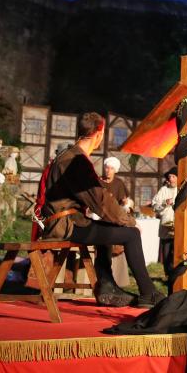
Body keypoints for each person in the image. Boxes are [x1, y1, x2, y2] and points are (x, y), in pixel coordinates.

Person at [37, 112, 165, 308]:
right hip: (66, 225)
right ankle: (148, 292)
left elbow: (96, 199)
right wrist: (129, 221)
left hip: (66, 221)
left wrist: (116, 217)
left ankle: (107, 286)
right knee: (130, 234)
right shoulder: (76, 160)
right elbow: (100, 200)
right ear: (99, 133)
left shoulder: (68, 155)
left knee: (108, 225)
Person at [152, 165, 187, 290]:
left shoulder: (184, 190)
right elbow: (154, 206)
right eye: (170, 177)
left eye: (173, 176)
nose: (171, 179)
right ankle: (169, 277)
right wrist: (164, 203)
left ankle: (180, 276)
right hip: (166, 228)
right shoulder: (163, 190)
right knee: (167, 254)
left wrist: (183, 209)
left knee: (179, 253)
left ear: (178, 178)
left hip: (181, 228)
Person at [100, 156, 133, 288]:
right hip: (101, 220)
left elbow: (125, 201)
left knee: (117, 251)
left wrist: (126, 204)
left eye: (111, 168)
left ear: (115, 170)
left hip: (114, 221)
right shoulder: (98, 182)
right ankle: (102, 280)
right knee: (102, 251)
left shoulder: (119, 183)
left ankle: (117, 282)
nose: (108, 170)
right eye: (107, 167)